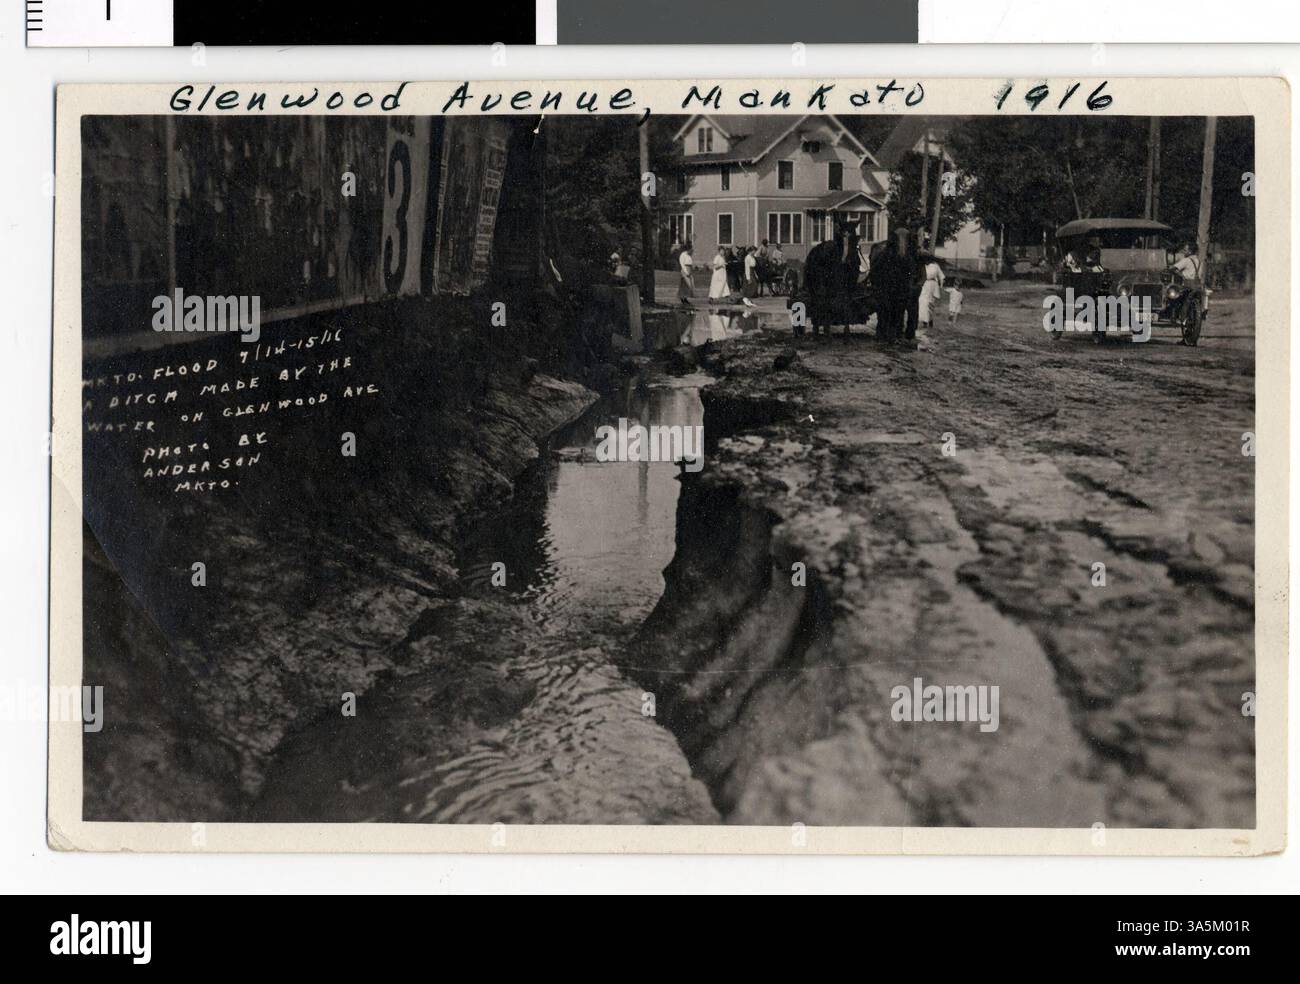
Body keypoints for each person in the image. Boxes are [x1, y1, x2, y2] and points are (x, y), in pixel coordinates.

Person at [677, 241, 694, 306]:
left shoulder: (688, 256)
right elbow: (682, 264)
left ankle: (685, 298)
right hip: (685, 271)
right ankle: (682, 298)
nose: (692, 251)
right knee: (685, 285)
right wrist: (686, 272)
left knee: (688, 286)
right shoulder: (683, 255)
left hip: (688, 271)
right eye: (691, 249)